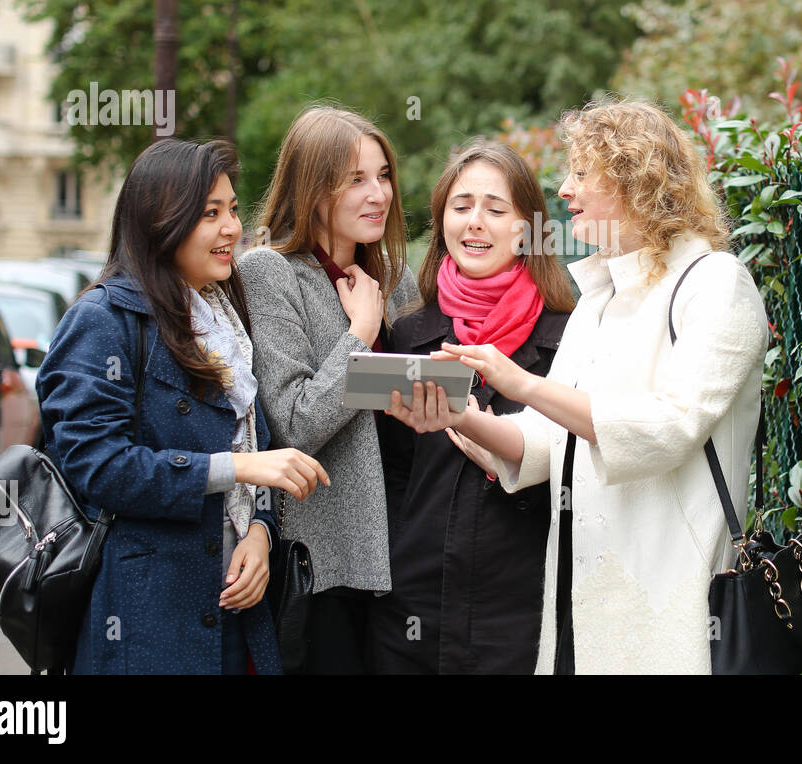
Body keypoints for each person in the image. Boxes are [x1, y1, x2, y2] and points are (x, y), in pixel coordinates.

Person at [387, 100, 769, 674]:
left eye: (582, 173)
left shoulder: (715, 284)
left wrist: (520, 383)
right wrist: (456, 416)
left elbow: (669, 429)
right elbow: (544, 442)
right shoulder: (600, 296)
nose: (564, 190)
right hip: (580, 608)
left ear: (635, 180)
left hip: (667, 600)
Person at [37, 139, 329, 675]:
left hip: (238, 611)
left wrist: (261, 533)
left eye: (233, 209)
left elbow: (252, 442)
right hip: (145, 619)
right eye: (209, 213)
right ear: (160, 221)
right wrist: (234, 469)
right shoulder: (104, 320)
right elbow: (97, 467)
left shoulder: (224, 318)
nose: (231, 229)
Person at [371, 139, 574, 674]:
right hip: (413, 612)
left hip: (522, 610)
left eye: (495, 209)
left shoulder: (568, 339)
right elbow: (393, 470)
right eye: (460, 207)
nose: (474, 223)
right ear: (441, 223)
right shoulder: (410, 335)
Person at [238, 104, 419, 674]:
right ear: (313, 187)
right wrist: (360, 335)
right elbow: (293, 422)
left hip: (407, 543)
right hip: (326, 560)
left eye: (383, 175)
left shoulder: (395, 277)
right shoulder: (270, 272)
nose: (378, 194)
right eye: (356, 179)